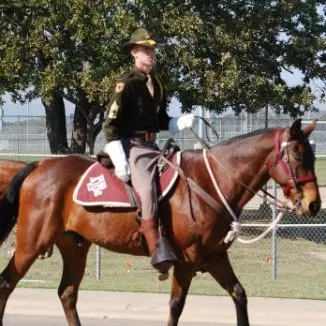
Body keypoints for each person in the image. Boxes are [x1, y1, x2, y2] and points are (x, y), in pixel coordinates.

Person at [102, 28, 195, 276]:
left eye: (152, 49)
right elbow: (110, 124)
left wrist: (177, 122)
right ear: (134, 53)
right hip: (134, 148)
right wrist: (119, 158)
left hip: (154, 147)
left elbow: (160, 120)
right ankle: (157, 252)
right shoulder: (128, 84)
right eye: (145, 50)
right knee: (147, 193)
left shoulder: (157, 83)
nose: (150, 54)